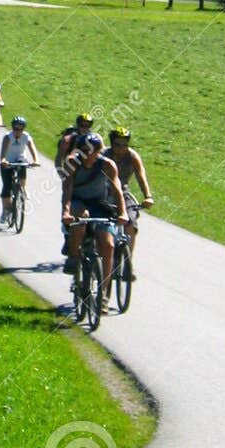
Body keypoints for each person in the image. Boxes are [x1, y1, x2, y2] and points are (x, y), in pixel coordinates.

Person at [61, 133, 129, 304]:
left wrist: (123, 212)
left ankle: (103, 293)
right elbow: (67, 188)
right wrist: (66, 212)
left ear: (99, 151)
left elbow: (117, 189)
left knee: (108, 245)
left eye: (91, 150)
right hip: (78, 201)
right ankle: (74, 256)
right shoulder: (72, 162)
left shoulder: (107, 165)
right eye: (83, 150)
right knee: (81, 218)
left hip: (99, 204)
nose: (87, 154)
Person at [103, 128, 154, 277]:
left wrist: (148, 196)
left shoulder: (132, 156)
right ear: (111, 144)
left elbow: (141, 176)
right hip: (103, 193)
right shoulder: (103, 155)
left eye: (125, 145)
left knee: (130, 224)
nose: (121, 148)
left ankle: (127, 264)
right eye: (117, 145)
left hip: (123, 194)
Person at [0, 114, 39, 221]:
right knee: (6, 186)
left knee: (22, 165)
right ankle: (5, 210)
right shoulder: (8, 137)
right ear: (13, 128)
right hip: (8, 162)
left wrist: (36, 160)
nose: (18, 131)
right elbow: (3, 152)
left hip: (19, 159)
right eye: (16, 128)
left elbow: (32, 148)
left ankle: (23, 188)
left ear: (23, 128)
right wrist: (3, 160)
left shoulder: (26, 136)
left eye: (20, 128)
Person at [54, 113, 94, 178]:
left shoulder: (92, 138)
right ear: (78, 125)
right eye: (82, 125)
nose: (84, 128)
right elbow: (59, 158)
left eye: (87, 126)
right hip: (68, 160)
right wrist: (61, 174)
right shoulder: (69, 137)